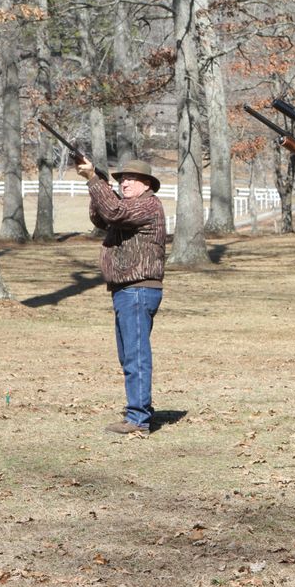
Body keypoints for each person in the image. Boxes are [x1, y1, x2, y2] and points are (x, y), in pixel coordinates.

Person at [77, 158, 166, 438]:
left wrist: (94, 180)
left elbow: (113, 212)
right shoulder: (128, 207)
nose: (124, 183)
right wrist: (99, 185)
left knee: (136, 355)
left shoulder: (148, 205)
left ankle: (138, 418)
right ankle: (137, 411)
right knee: (128, 355)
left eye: (131, 179)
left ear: (147, 184)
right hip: (126, 290)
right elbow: (101, 217)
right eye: (121, 179)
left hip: (138, 289)